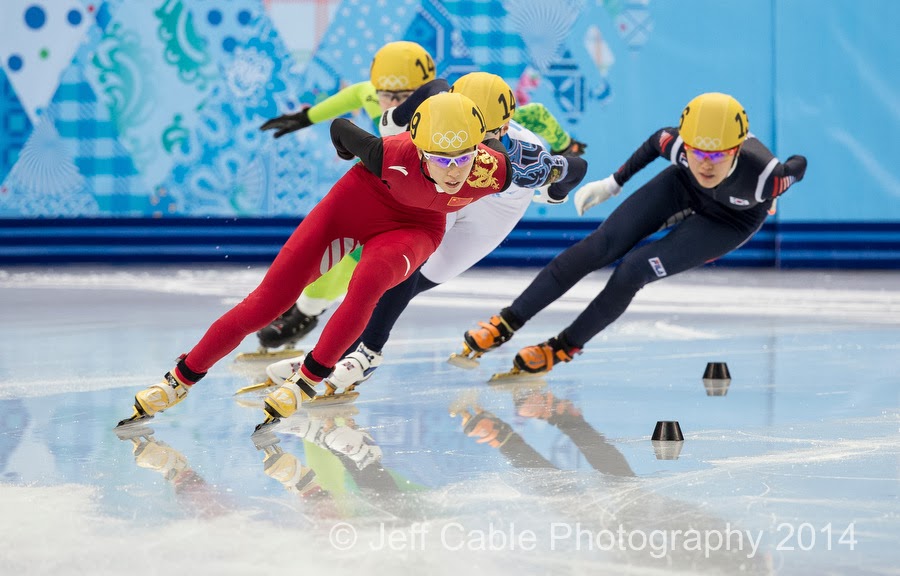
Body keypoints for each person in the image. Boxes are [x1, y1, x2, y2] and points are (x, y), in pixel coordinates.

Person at [117, 92, 512, 428]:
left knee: (368, 282)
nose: (454, 171)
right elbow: (341, 126)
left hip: (415, 229)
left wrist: (562, 175)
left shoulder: (495, 171)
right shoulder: (386, 153)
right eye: (440, 160)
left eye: (463, 158)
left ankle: (308, 379)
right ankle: (179, 379)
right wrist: (344, 150)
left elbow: (561, 170)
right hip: (353, 206)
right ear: (419, 148)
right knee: (267, 302)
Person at [262, 72, 588, 395]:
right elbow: (433, 88)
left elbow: (577, 166)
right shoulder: (443, 118)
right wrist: (396, 116)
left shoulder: (527, 160)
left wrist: (557, 189)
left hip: (491, 212)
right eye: (462, 126)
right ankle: (340, 354)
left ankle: (358, 354)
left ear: (502, 130)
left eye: (479, 137)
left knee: (415, 277)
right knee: (400, 262)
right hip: (452, 190)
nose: (465, 140)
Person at [453, 92, 808, 376]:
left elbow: (798, 164)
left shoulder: (767, 177)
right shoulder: (680, 148)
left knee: (633, 269)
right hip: (682, 188)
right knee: (598, 246)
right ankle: (507, 321)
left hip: (731, 220)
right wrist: (613, 183)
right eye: (698, 151)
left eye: (718, 154)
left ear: (737, 148)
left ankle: (563, 346)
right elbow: (656, 142)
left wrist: (774, 192)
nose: (705, 162)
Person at [252, 41, 443, 353]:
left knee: (353, 261)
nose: (392, 103)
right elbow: (355, 94)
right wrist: (305, 118)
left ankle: (308, 311)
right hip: (379, 188)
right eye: (386, 95)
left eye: (404, 97)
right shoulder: (372, 93)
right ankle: (306, 302)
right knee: (327, 241)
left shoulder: (441, 114)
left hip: (413, 207)